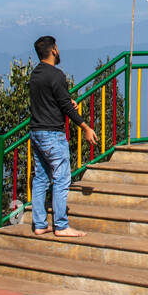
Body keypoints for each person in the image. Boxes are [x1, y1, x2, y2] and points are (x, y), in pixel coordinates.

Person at [28, 36, 96, 238]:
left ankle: (39, 223)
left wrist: (66, 101)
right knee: (61, 178)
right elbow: (65, 106)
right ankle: (61, 225)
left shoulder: (36, 75)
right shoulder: (56, 75)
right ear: (54, 50)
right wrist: (85, 126)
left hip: (36, 131)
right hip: (52, 134)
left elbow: (52, 100)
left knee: (41, 178)